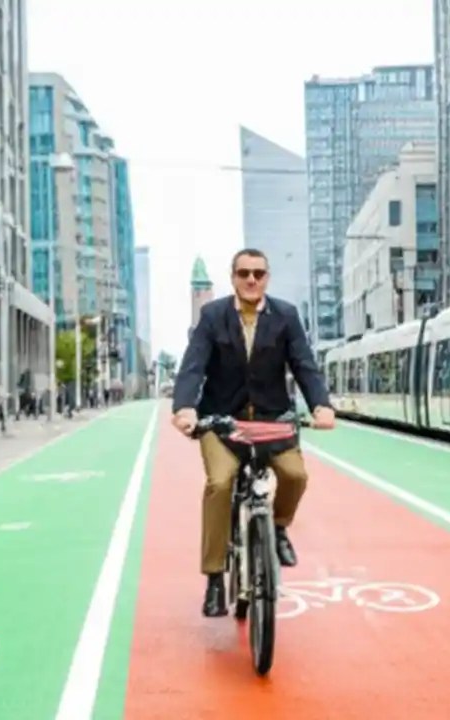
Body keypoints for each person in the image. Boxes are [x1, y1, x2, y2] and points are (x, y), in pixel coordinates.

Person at [172, 248, 336, 617]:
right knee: (220, 482)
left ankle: (277, 529)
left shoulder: (286, 316)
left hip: (272, 421)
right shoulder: (212, 316)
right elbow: (193, 365)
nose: (251, 280)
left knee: (295, 475)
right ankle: (215, 578)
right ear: (232, 278)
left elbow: (304, 365)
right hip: (221, 422)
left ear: (267, 278)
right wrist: (184, 407)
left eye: (258, 273)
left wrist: (321, 405)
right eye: (243, 273)